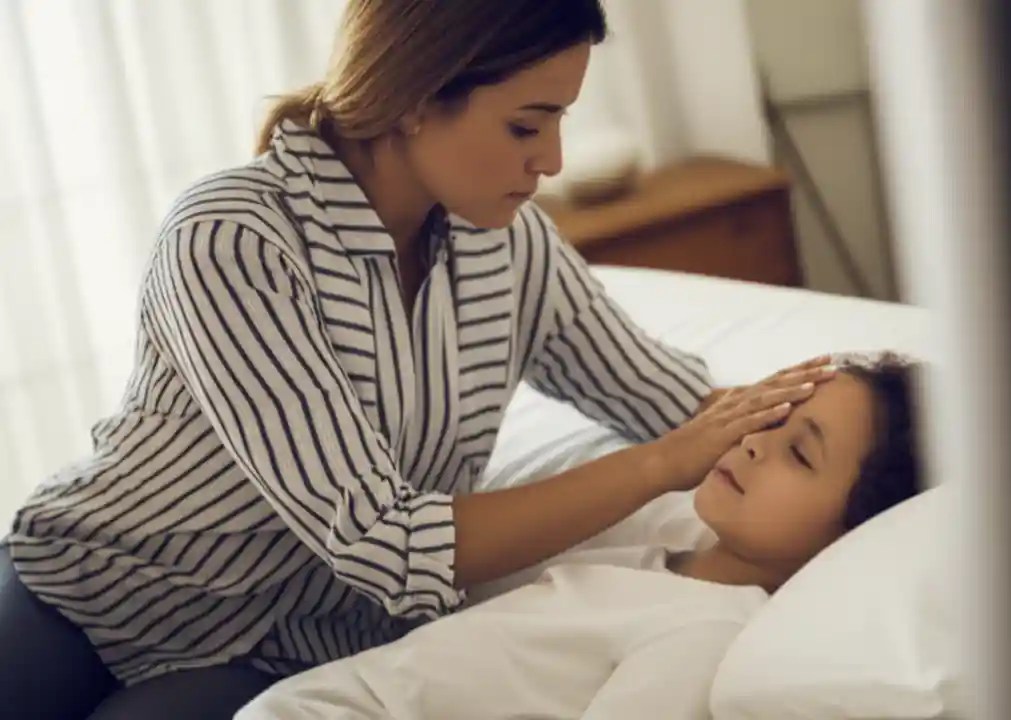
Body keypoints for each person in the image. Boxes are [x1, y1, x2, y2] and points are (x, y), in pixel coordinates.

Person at [0, 2, 827, 718]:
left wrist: (881, 426)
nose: (553, 161)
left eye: (561, 121)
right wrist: (656, 467)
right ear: (415, 102)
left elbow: (677, 403)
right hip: (96, 587)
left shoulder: (508, 246)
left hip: (293, 646)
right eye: (525, 125)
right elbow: (388, 543)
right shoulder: (235, 238)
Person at [235, 353, 924, 720]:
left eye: (800, 454)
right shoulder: (658, 550)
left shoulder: (705, 634)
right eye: (770, 418)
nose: (753, 445)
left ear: (850, 540)